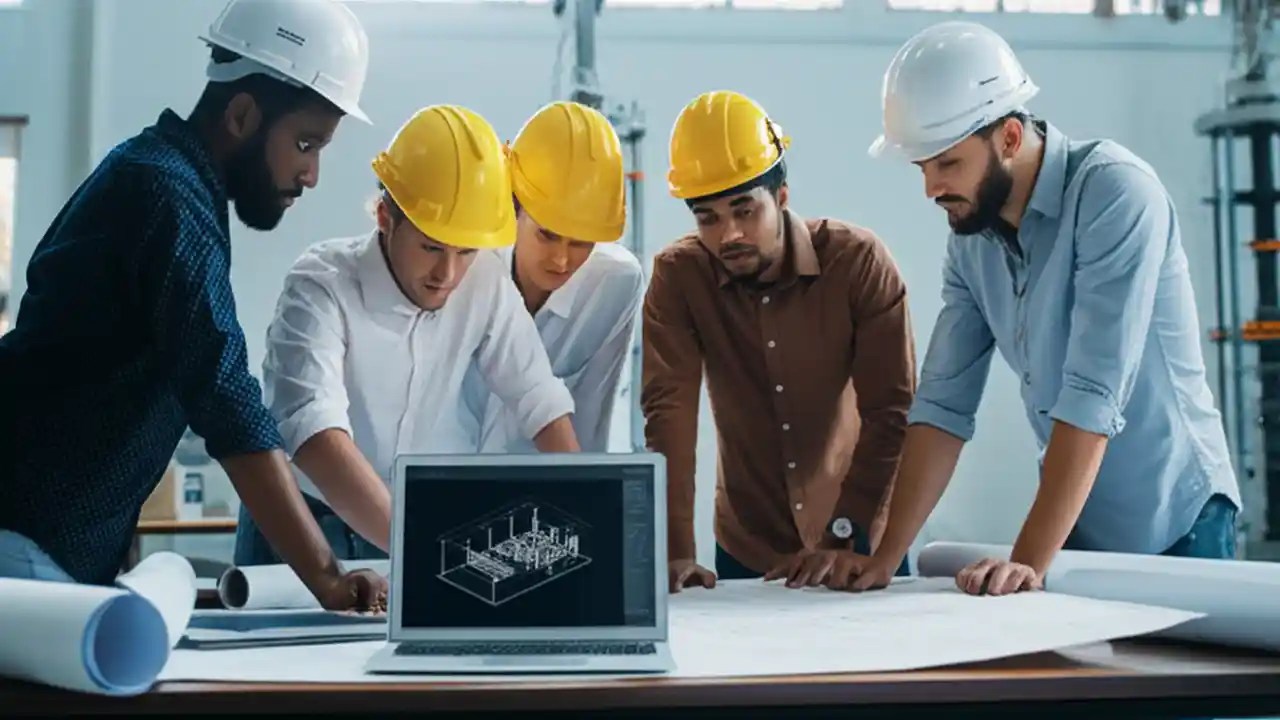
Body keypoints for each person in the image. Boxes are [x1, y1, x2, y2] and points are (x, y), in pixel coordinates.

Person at [0, 0, 385, 608]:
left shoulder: (154, 173)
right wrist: (328, 577)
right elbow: (227, 400)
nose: (310, 173)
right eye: (305, 143)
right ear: (241, 114)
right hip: (23, 543)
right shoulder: (165, 195)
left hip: (41, 540)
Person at [839, 21, 1241, 596]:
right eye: (921, 167)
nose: (930, 187)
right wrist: (886, 557)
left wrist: (1027, 561)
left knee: (1178, 687)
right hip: (1078, 521)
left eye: (947, 163)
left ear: (1007, 137)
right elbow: (943, 404)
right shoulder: (970, 240)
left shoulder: (1116, 194)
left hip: (1179, 518)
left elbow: (1092, 393)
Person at [233, 104, 581, 566]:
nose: (448, 273)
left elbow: (539, 399)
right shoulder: (320, 285)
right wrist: (424, 554)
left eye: (466, 251)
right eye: (431, 247)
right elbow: (314, 432)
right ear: (384, 216)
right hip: (309, 523)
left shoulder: (486, 284)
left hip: (420, 521)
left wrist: (583, 522)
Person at [642, 90, 916, 593]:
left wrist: (845, 532)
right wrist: (677, 552)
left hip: (858, 541)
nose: (728, 235)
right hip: (750, 548)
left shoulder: (857, 263)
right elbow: (669, 416)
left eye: (744, 211)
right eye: (708, 218)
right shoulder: (679, 278)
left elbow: (893, 410)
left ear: (782, 196)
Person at [465, 100, 643, 454]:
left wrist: (582, 498)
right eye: (546, 235)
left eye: (580, 242)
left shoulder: (613, 284)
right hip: (436, 480)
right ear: (514, 208)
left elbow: (594, 417)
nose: (562, 260)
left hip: (536, 489)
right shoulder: (467, 263)